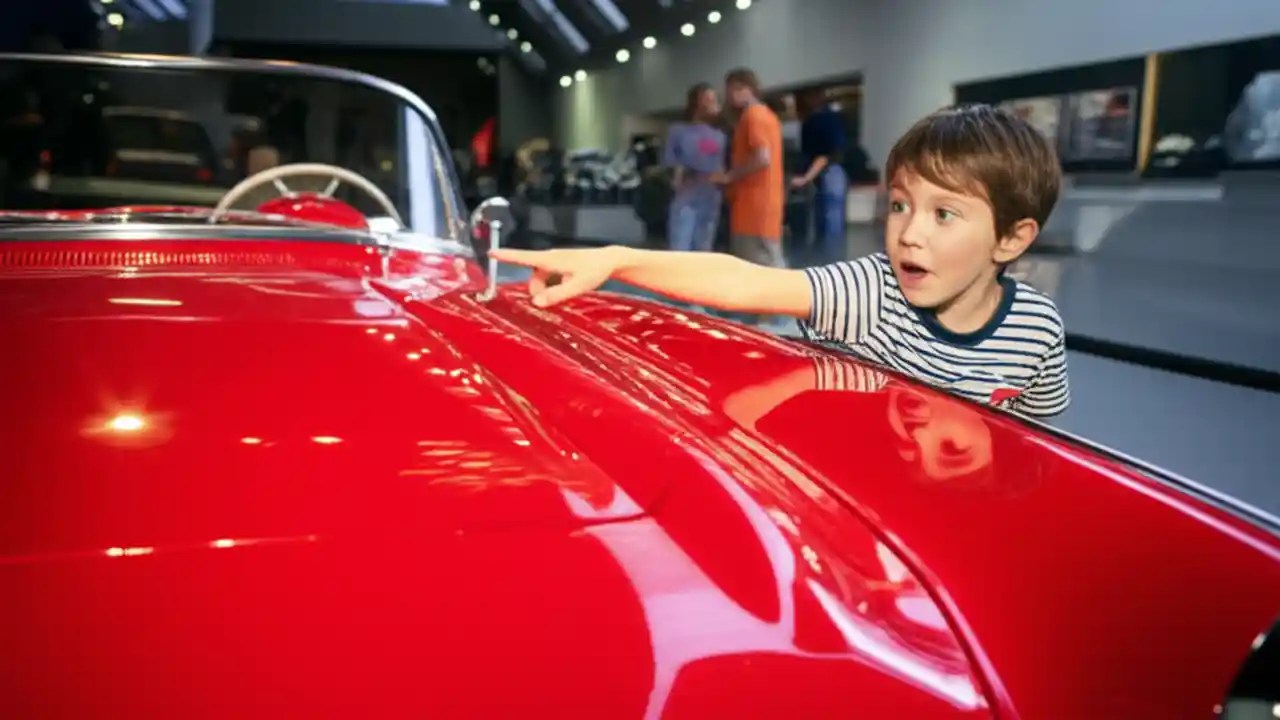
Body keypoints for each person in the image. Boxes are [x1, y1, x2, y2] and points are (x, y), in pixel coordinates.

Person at [491, 103, 1070, 418]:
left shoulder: (1036, 330)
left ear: (1011, 240)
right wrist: (617, 260)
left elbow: (1040, 446)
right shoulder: (874, 292)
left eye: (944, 215)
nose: (908, 234)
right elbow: (744, 282)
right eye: (899, 205)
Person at [712, 68, 785, 268]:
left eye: (730, 91)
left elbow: (762, 158)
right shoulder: (768, 116)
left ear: (743, 88)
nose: (728, 97)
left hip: (753, 208)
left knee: (759, 266)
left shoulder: (753, 115)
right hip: (764, 205)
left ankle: (793, 298)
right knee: (767, 259)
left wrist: (729, 176)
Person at [661, 83, 727, 252]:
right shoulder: (678, 131)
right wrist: (677, 177)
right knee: (680, 248)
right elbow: (669, 163)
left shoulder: (720, 135)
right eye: (709, 99)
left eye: (715, 100)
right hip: (686, 198)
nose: (714, 104)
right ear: (697, 103)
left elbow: (722, 166)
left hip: (711, 199)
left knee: (704, 250)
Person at [790, 88, 849, 268]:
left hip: (828, 172)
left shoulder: (819, 120)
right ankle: (831, 267)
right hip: (830, 172)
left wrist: (806, 177)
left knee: (828, 222)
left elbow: (825, 155)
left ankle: (829, 267)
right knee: (828, 221)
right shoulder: (826, 119)